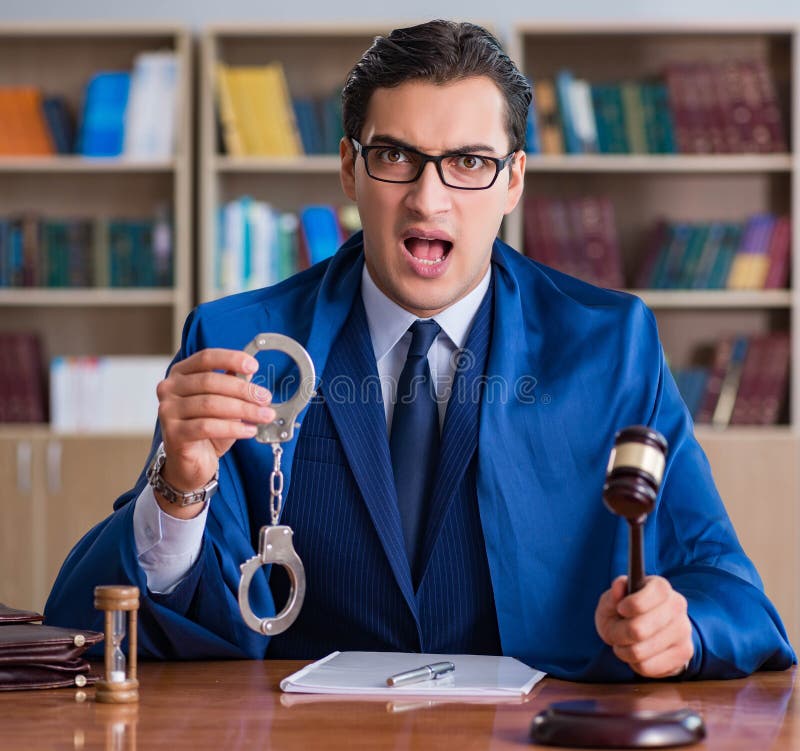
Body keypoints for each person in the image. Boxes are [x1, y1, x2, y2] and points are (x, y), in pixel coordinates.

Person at [45, 20, 794, 681]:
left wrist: (682, 628)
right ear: (349, 167)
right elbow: (103, 620)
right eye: (396, 156)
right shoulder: (238, 345)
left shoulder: (611, 345)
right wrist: (178, 491)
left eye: (469, 162)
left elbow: (728, 588)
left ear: (514, 181)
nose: (428, 199)